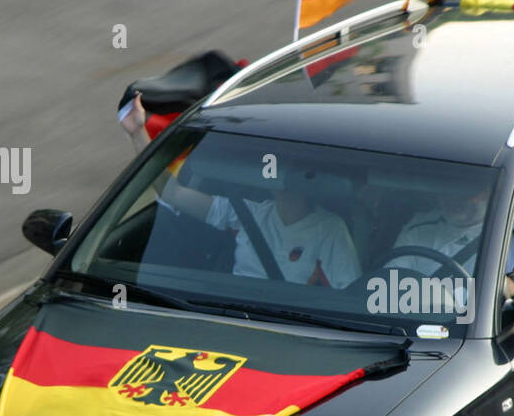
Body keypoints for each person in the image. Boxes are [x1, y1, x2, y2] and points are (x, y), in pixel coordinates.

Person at [120, 94, 360, 288]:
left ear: (308, 179)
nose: (281, 179)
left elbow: (347, 293)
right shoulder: (246, 212)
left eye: (290, 170)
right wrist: (137, 132)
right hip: (232, 317)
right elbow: (172, 194)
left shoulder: (330, 230)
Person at [390, 184, 514, 300]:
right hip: (429, 326)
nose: (455, 200)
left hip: (497, 328)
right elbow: (391, 287)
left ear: (490, 190)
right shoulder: (419, 228)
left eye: (467, 193)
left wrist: (512, 282)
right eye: (447, 191)